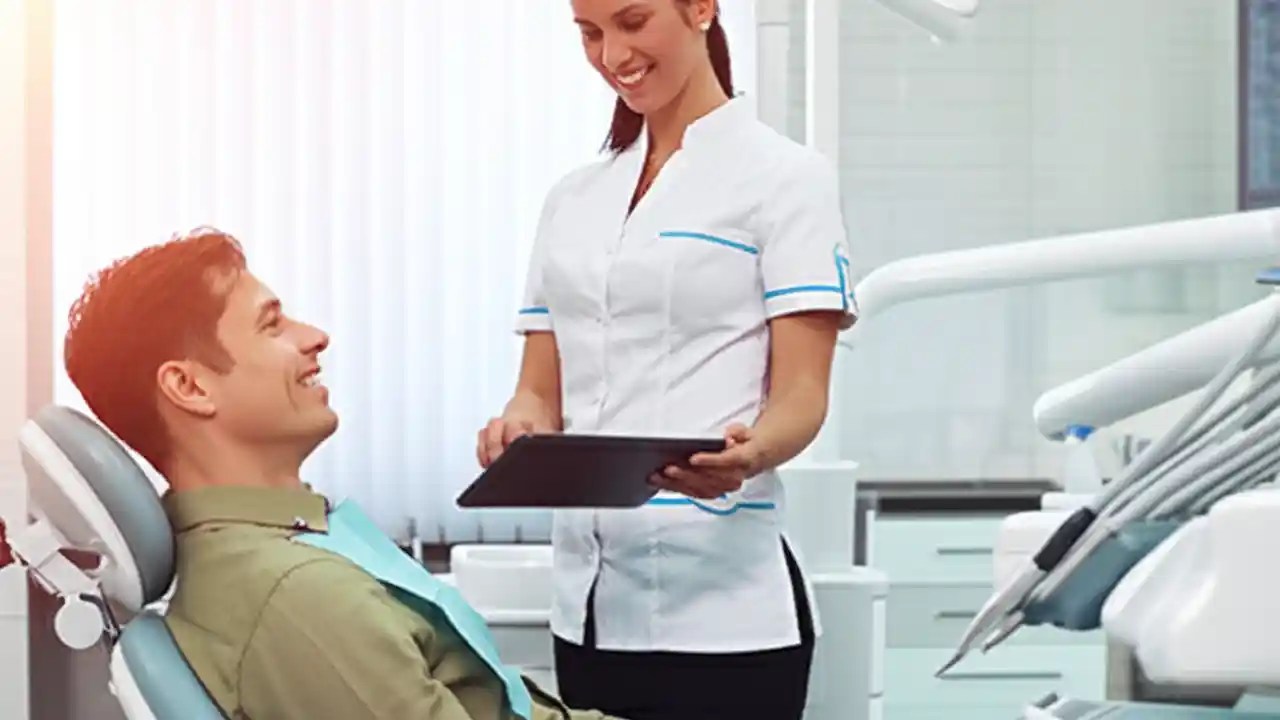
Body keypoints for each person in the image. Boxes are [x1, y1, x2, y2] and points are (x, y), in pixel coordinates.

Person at [476, 0, 856, 718]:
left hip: (728, 617)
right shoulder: (574, 199)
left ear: (701, 9)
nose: (611, 54)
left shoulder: (786, 179)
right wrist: (518, 428)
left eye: (632, 21)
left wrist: (752, 451)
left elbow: (804, 392)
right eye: (590, 33)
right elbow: (538, 391)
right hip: (588, 609)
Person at [63, 228, 615, 720]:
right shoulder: (298, 595)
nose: (314, 336)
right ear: (191, 387)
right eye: (271, 324)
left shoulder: (291, 547)